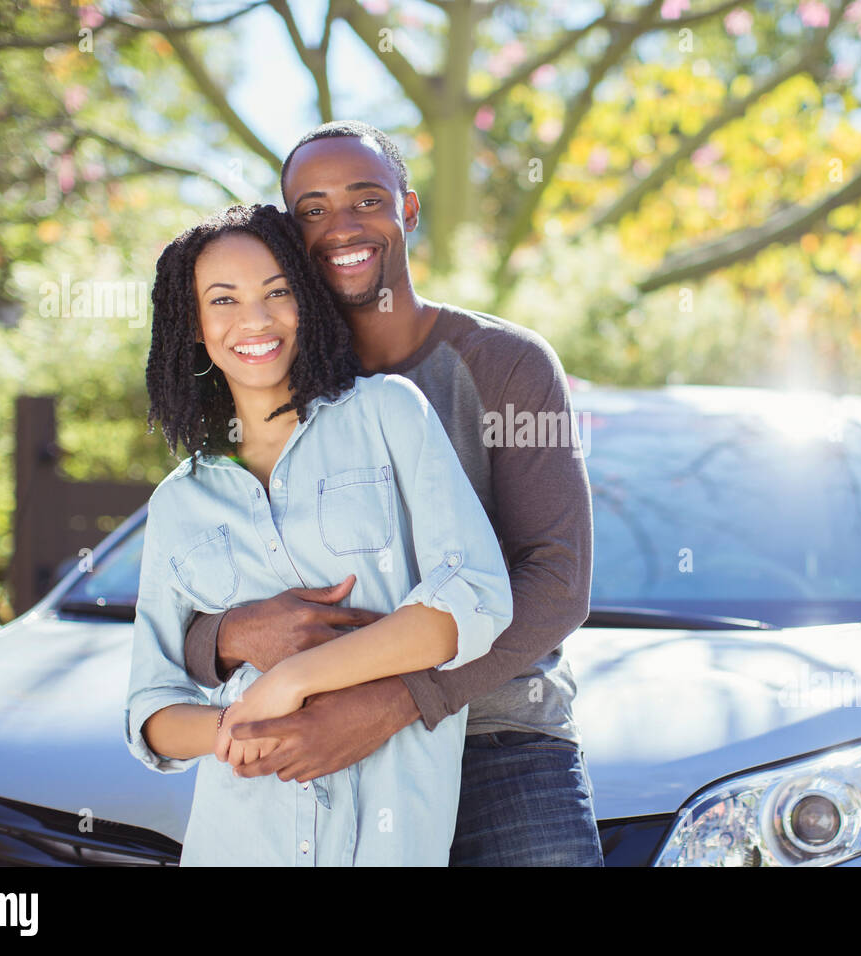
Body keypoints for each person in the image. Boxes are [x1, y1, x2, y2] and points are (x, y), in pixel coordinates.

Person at [180, 121, 604, 866]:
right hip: (317, 754)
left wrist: (395, 702)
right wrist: (229, 635)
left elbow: (558, 582)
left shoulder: (507, 366)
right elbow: (181, 607)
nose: (340, 225)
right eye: (311, 209)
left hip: (497, 742)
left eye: (365, 200)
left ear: (407, 211)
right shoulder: (263, 384)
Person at [123, 203, 513, 865]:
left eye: (277, 292)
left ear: (304, 300)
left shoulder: (389, 414)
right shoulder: (178, 504)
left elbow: (472, 598)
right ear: (193, 325)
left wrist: (291, 680)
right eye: (224, 300)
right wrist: (236, 730)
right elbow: (152, 708)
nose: (255, 320)